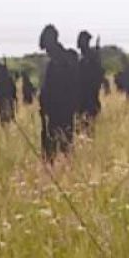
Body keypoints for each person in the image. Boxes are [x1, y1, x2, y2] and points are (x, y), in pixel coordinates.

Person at [38, 25, 80, 162]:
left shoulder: (68, 60)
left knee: (64, 148)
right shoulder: (52, 64)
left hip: (63, 112)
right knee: (51, 152)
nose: (47, 52)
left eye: (48, 48)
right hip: (51, 115)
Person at [76, 31, 103, 132]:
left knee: (88, 130)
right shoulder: (83, 58)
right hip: (80, 101)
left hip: (89, 100)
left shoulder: (91, 58)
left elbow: (97, 79)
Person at [0, 51, 18, 124]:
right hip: (4, 98)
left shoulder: (0, 71)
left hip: (4, 98)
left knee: (5, 120)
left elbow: (2, 85)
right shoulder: (1, 70)